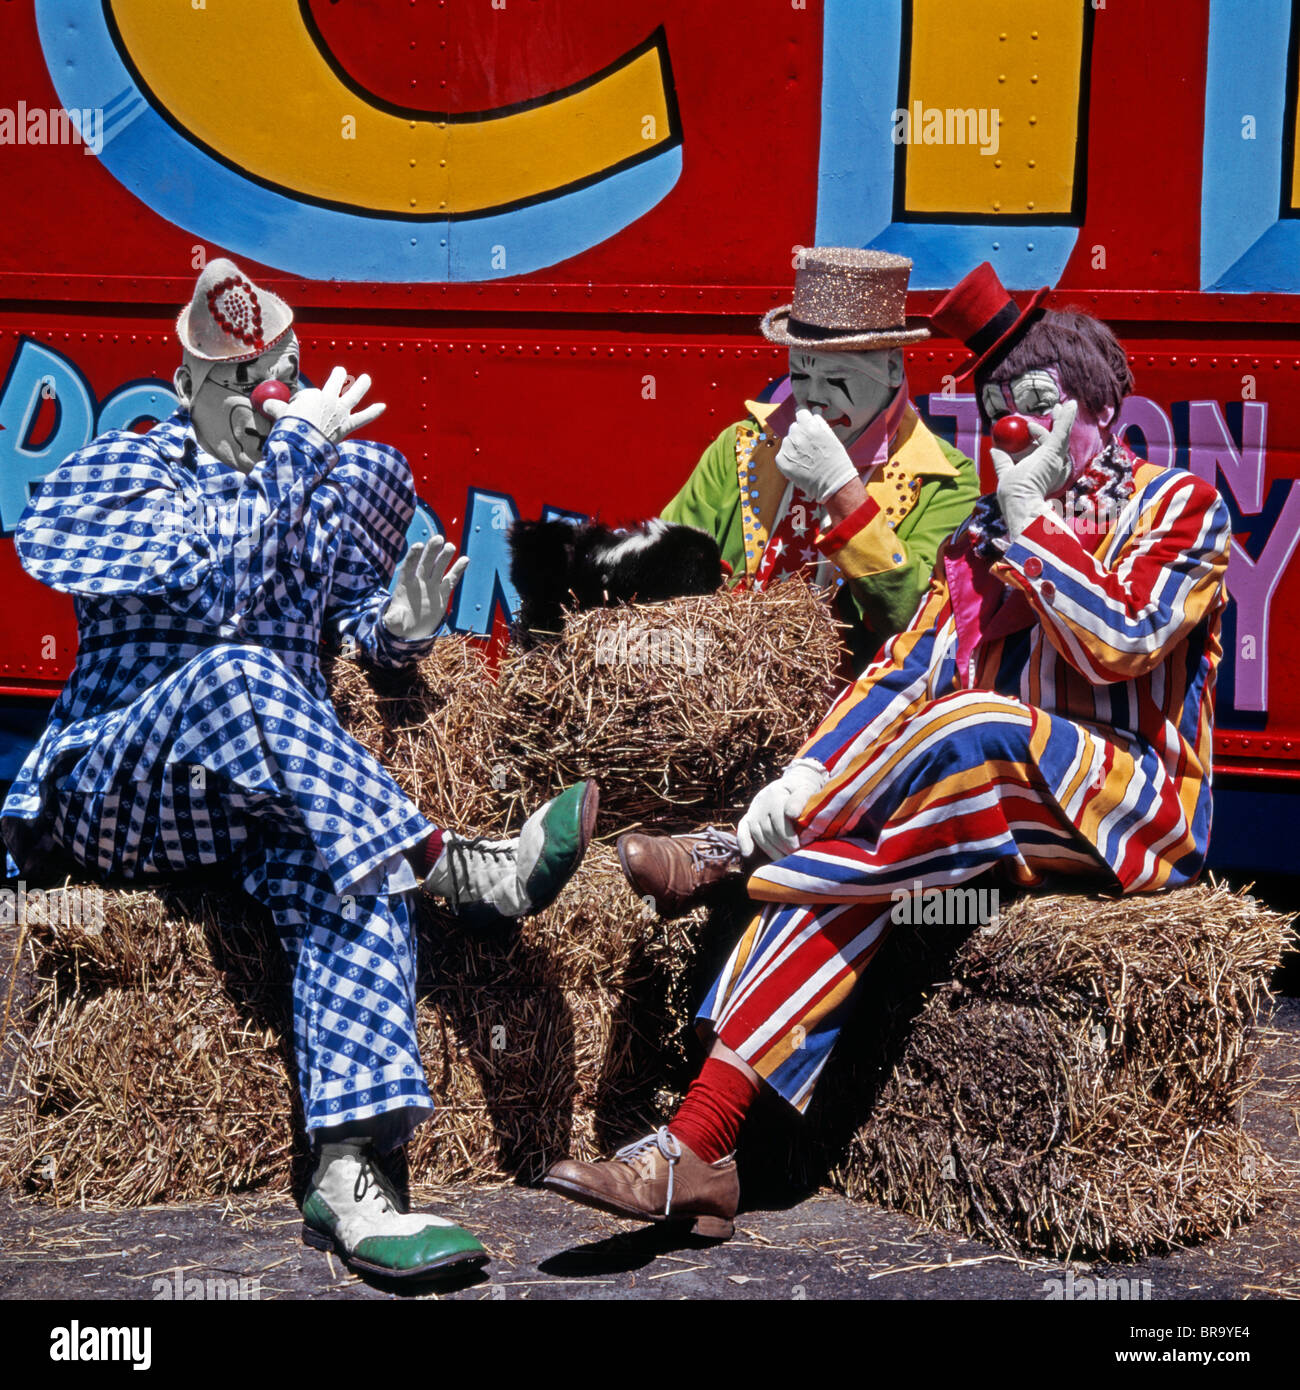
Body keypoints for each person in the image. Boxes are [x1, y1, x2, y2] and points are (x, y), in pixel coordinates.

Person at [542, 261, 1231, 1240]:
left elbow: (1115, 639)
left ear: (1097, 410)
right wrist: (807, 768)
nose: (1015, 429)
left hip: (1127, 809)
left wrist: (1034, 525)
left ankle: (732, 857)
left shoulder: (1176, 509)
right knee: (858, 874)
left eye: (1037, 407)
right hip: (984, 810)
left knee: (964, 721)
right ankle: (699, 1147)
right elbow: (906, 668)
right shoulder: (983, 536)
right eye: (1000, 408)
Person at [2, 258, 598, 1280]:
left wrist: (398, 630)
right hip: (116, 790)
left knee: (348, 867)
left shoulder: (316, 492)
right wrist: (299, 453)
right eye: (237, 386)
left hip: (253, 801)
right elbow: (228, 598)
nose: (261, 407)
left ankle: (353, 1176)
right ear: (186, 388)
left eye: (276, 379)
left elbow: (339, 620)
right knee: (237, 670)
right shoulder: (131, 473)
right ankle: (468, 871)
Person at [661, 247, 979, 671]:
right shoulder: (738, 446)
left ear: (891, 368)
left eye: (835, 379)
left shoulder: (946, 477)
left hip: (852, 714)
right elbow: (663, 576)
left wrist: (842, 493)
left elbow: (916, 622)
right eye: (800, 374)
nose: (812, 397)